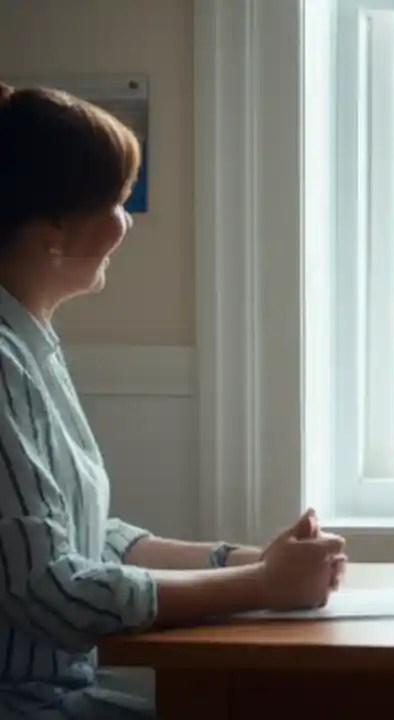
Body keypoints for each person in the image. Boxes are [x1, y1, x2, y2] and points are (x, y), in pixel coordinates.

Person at [0, 83, 348, 718]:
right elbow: (50, 592)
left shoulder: (30, 346)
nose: (125, 219)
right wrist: (259, 584)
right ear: (52, 230)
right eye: (113, 201)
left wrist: (244, 560)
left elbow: (81, 540)